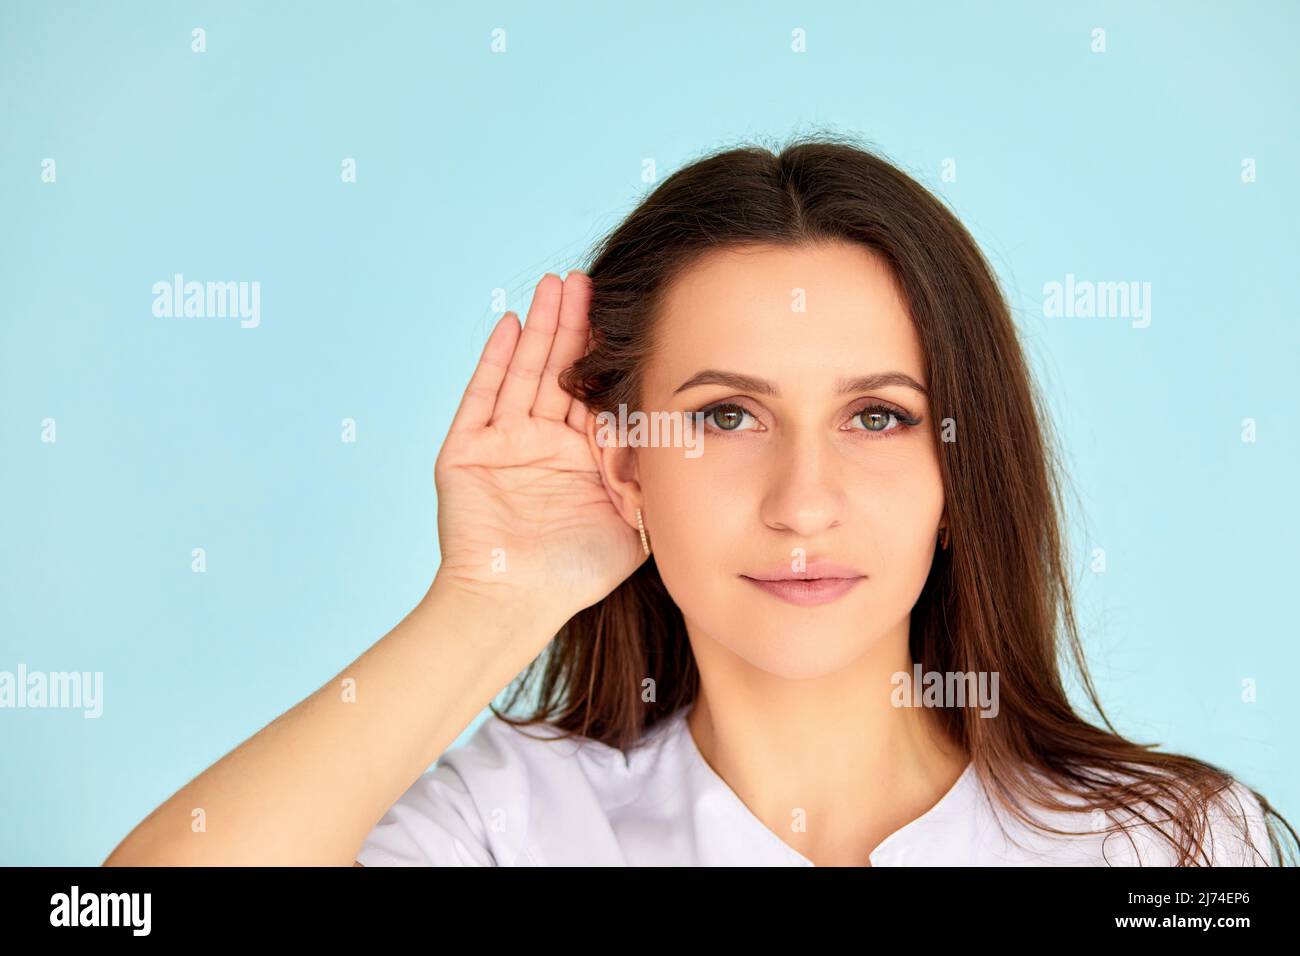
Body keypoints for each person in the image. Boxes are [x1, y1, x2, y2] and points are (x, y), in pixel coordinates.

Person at [103, 136, 1296, 867]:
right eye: (724, 415)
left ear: (957, 466)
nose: (802, 502)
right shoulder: (511, 827)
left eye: (876, 414)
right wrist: (490, 598)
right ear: (625, 460)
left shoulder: (1173, 844)